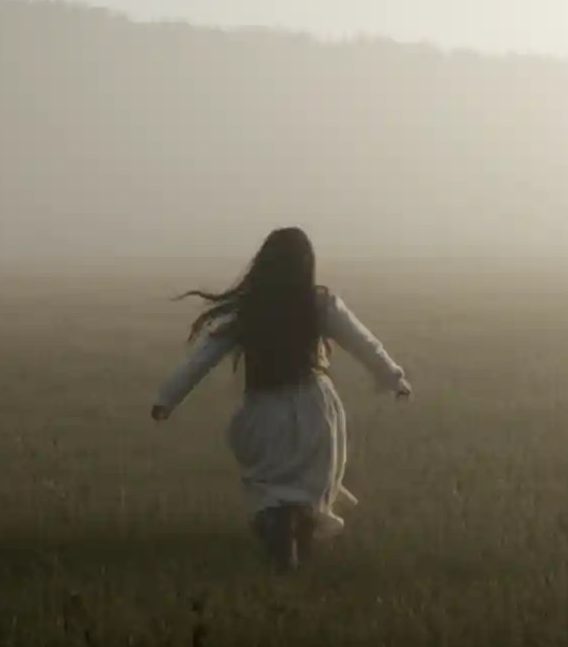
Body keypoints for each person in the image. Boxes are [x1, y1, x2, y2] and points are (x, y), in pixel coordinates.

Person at [151, 227, 412, 571]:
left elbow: (201, 359)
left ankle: (282, 544)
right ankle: (294, 549)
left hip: (264, 416)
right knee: (307, 495)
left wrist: (167, 399)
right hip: (315, 415)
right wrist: (394, 377)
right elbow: (362, 342)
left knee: (273, 492)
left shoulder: (247, 311)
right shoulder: (319, 304)